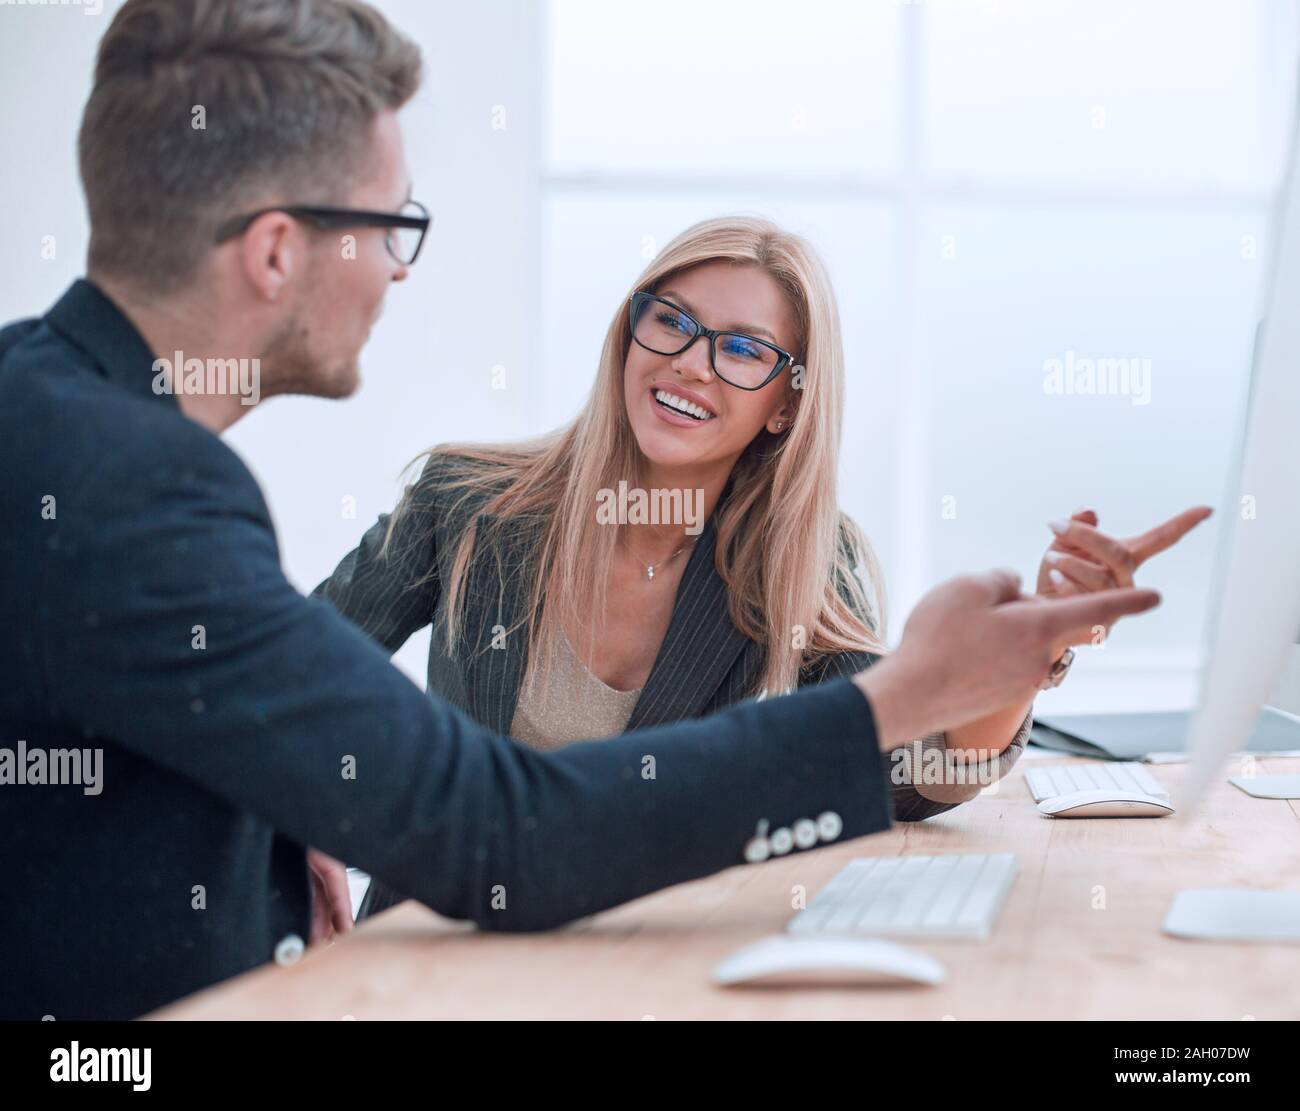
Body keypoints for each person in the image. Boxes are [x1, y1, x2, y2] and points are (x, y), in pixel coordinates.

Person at [0, 0, 1160, 1021]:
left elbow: (261, 699)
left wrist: (980, 679)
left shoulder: (45, 413)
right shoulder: (145, 490)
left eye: (745, 349)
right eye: (394, 227)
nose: (400, 272)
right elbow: (497, 829)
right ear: (272, 252)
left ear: (783, 403)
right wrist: (904, 686)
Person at [316, 216, 1210, 918]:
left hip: (664, 953)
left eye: (743, 349)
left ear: (787, 403)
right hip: (444, 943)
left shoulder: (809, 560)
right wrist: (303, 817)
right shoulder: (467, 501)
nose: (689, 364)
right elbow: (296, 679)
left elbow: (910, 774)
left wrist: (1029, 651)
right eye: (670, 321)